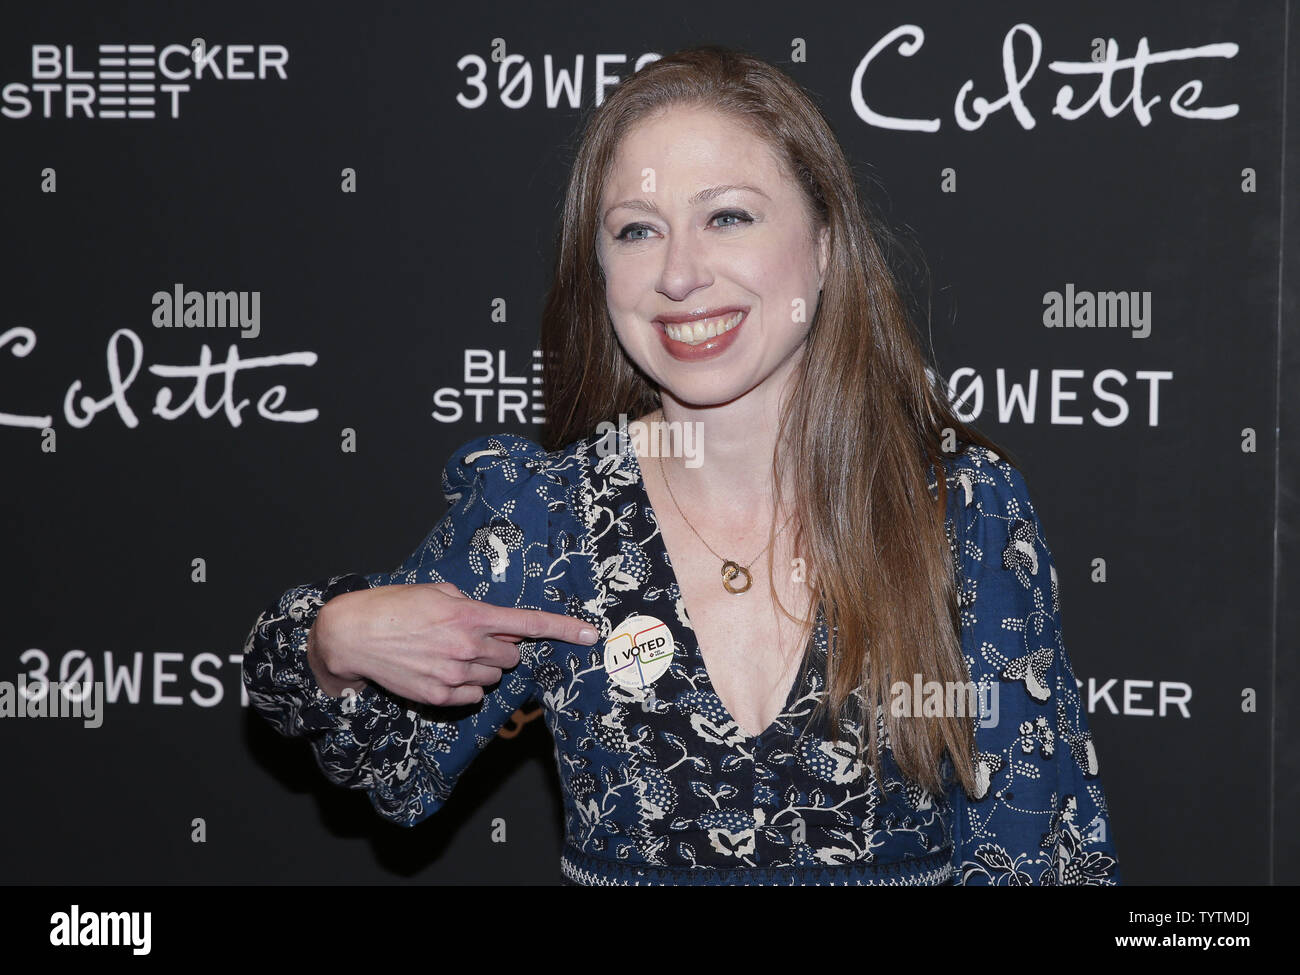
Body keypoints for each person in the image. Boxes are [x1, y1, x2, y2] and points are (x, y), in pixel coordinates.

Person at [242, 45, 1121, 885]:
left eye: (727, 216)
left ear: (822, 244)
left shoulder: (957, 511)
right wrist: (332, 641)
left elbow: (1037, 853)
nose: (678, 274)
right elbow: (397, 767)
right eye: (636, 230)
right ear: (600, 270)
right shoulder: (548, 518)